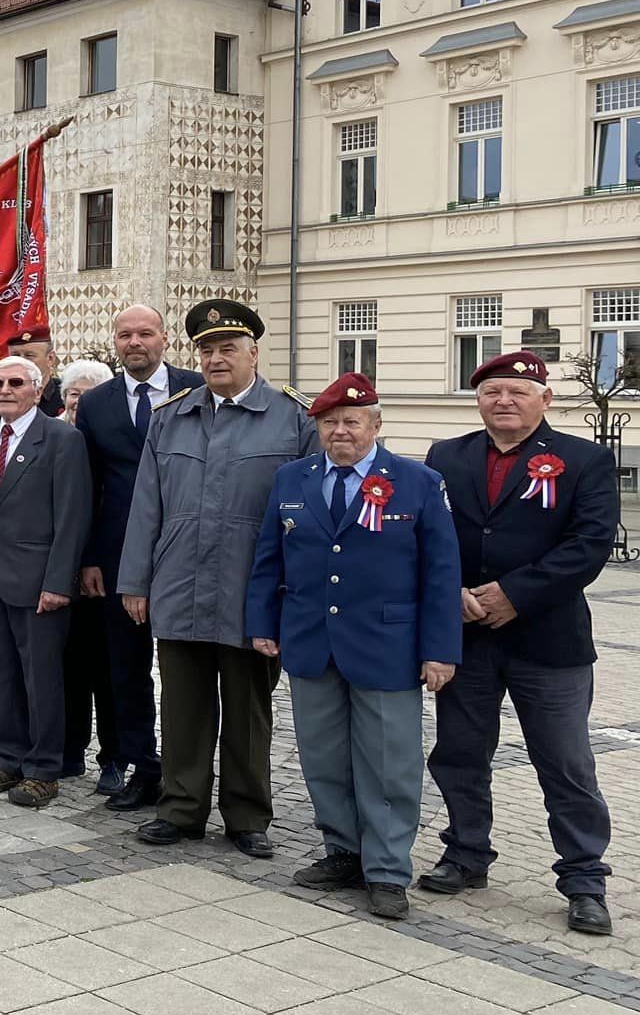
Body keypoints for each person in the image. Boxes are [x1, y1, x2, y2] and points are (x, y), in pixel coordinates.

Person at [246, 373, 460, 920]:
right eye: (329, 422)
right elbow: (270, 558)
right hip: (311, 640)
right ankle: (342, 850)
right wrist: (263, 622)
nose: (340, 431)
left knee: (390, 761)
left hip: (387, 644)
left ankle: (387, 870)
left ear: (376, 425)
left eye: (351, 421)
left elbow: (440, 573)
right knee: (322, 757)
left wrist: (439, 650)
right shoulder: (293, 479)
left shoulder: (417, 481)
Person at [421, 350, 620, 936]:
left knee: (565, 763)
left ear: (544, 400)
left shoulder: (584, 460)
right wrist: (450, 587)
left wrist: (514, 593)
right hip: (467, 635)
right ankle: (465, 853)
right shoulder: (446, 457)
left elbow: (588, 544)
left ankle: (584, 879)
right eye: (491, 392)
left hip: (547, 641)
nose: (503, 401)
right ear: (477, 399)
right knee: (459, 752)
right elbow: (429, 534)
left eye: (517, 391)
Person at [119, 298, 318, 857]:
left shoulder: (293, 418)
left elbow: (306, 518)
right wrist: (136, 582)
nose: (215, 358)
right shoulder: (172, 416)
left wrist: (292, 594)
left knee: (249, 711)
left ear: (254, 352)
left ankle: (247, 814)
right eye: (206, 349)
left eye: (227, 347)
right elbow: (146, 508)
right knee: (181, 707)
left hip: (251, 590)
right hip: (180, 582)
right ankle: (181, 808)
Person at [78, 305, 204, 814]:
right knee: (124, 669)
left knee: (186, 669)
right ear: (115, 341)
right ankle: (141, 767)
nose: (135, 342)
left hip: (183, 550)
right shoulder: (97, 404)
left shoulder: (197, 389)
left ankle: (189, 772)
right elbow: (86, 487)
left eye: (145, 333)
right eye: (126, 334)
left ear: (164, 339)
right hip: (115, 554)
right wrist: (88, 558)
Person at [0, 356, 92, 807]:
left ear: (38, 389)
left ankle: (43, 768)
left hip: (39, 583)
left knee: (41, 677)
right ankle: (8, 756)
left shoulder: (61, 439)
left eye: (16, 382)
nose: (5, 390)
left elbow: (72, 518)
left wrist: (59, 582)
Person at [55, 359, 118, 789]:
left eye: (89, 394)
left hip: (107, 570)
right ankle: (69, 749)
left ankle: (115, 757)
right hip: (59, 571)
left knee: (109, 671)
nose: (81, 401)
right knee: (67, 667)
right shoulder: (52, 438)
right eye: (74, 393)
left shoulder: (110, 442)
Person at [0, 326, 65, 437]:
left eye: (29, 356)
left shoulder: (65, 398)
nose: (21, 361)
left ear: (50, 359)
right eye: (15, 356)